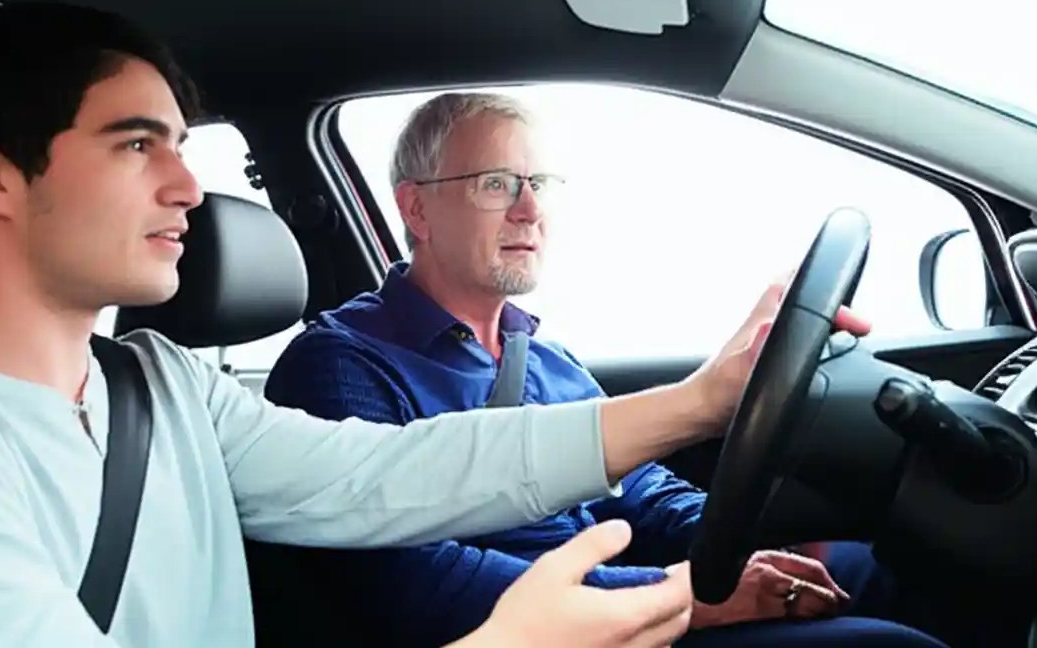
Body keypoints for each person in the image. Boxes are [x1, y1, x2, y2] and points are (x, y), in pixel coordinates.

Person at [0, 2, 829, 648]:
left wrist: (700, 403)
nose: (189, 186)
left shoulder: (159, 383)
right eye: (136, 145)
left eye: (181, 145)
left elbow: (384, 473)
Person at [264, 93, 950, 647]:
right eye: (496, 184)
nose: (530, 210)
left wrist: (748, 541)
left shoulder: (544, 356)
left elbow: (641, 494)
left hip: (620, 602)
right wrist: (680, 597)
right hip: (541, 634)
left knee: (893, 567)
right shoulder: (339, 367)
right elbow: (413, 587)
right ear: (417, 208)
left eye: (538, 184)